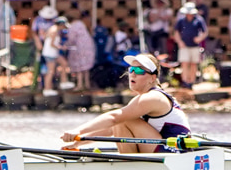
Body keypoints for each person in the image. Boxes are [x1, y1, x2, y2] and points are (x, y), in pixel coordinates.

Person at [61, 53, 191, 153]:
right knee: (122, 121)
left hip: (174, 153)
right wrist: (78, 142)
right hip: (166, 150)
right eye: (131, 70)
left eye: (139, 71)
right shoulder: (142, 99)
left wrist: (78, 130)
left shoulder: (153, 98)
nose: (133, 74)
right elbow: (111, 129)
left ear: (153, 78)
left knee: (122, 119)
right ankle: (129, 166)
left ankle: (129, 168)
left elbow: (114, 118)